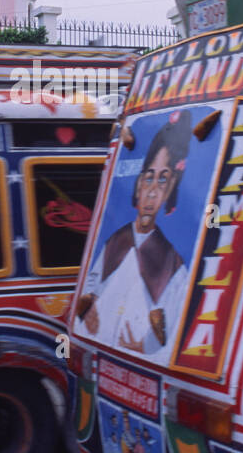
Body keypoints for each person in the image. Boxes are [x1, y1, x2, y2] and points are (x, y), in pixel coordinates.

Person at [75, 112, 192, 364]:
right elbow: (91, 290)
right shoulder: (116, 241)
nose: (152, 192)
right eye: (149, 178)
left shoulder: (174, 267)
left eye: (162, 180)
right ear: (139, 185)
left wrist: (144, 348)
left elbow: (170, 333)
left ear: (169, 190)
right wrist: (89, 311)